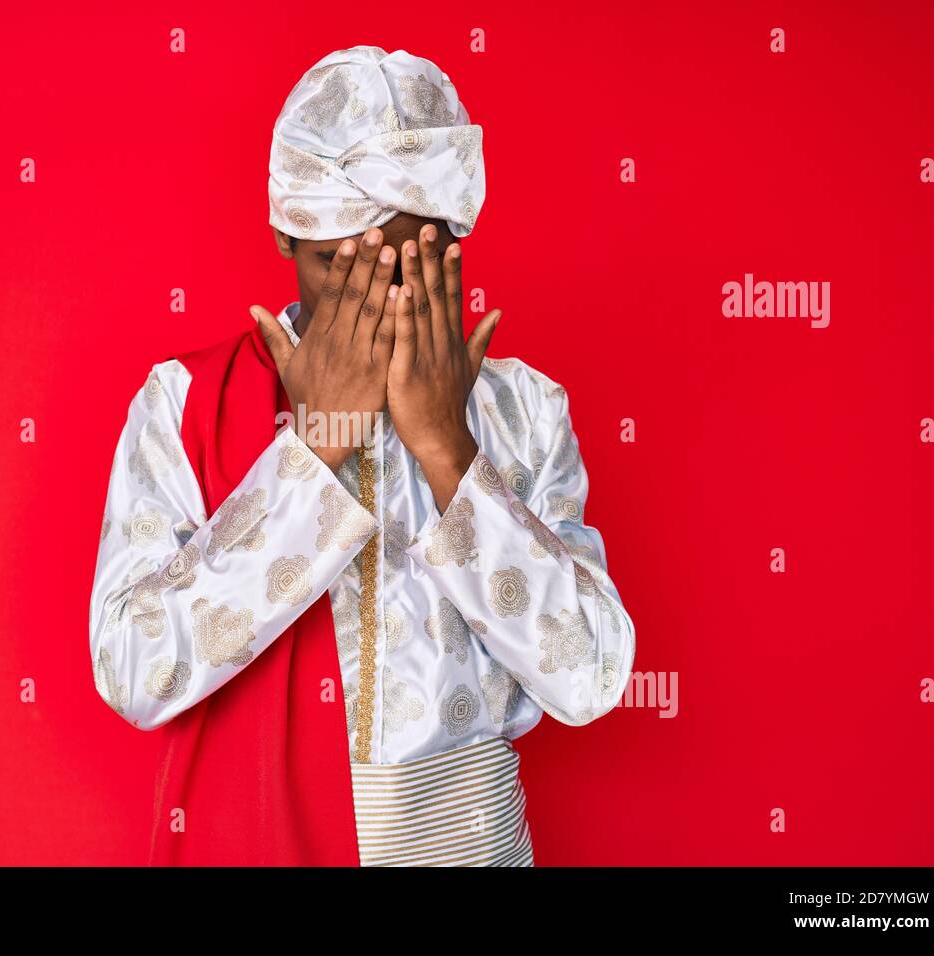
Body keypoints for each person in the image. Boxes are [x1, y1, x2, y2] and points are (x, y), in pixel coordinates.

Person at [88, 44, 635, 867]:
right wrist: (309, 455)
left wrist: (451, 452)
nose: (380, 299)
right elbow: (137, 672)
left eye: (409, 264)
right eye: (340, 269)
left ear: (454, 242)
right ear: (284, 231)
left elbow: (590, 678)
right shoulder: (184, 404)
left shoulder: (524, 410)